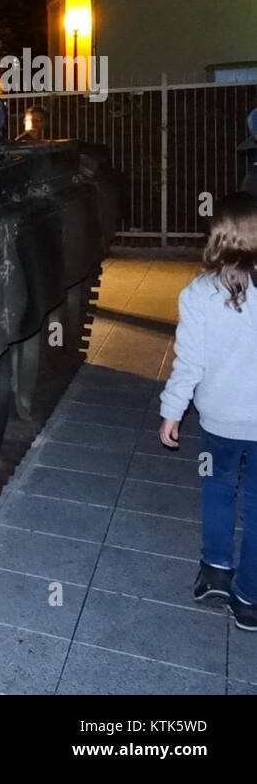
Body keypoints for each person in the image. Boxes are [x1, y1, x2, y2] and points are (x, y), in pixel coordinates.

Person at [159, 192, 257, 631]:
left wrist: (172, 411)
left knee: (217, 492)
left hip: (218, 421)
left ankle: (216, 573)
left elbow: (190, 363)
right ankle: (249, 598)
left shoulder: (197, 293)